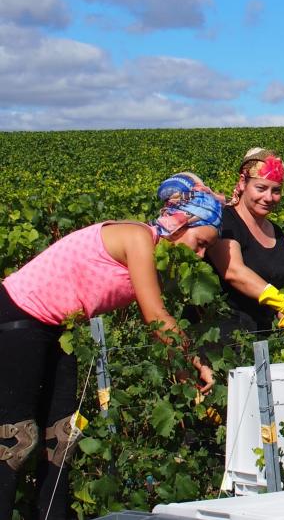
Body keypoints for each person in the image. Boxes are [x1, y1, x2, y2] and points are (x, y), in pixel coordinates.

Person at [0, 177, 221, 520]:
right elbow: (156, 317)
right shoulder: (137, 239)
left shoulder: (155, 254)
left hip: (59, 327)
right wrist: (194, 360)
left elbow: (157, 327)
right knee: (16, 439)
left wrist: (182, 373)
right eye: (201, 242)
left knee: (62, 437)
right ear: (180, 224)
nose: (202, 254)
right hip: (19, 314)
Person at [204, 148, 284, 334]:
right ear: (242, 183)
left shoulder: (277, 233)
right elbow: (234, 271)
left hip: (263, 335)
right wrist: (280, 302)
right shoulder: (225, 221)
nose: (268, 198)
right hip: (222, 336)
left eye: (276, 190)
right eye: (261, 188)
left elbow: (279, 283)